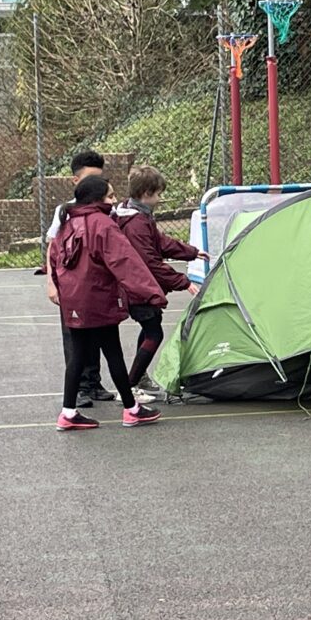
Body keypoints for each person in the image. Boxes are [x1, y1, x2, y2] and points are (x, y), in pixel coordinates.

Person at [49, 175, 167, 431]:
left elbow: (55, 260)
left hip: (74, 299)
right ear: (97, 199)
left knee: (78, 355)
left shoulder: (67, 223)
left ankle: (68, 412)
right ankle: (131, 409)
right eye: (110, 196)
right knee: (113, 352)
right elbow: (126, 262)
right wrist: (152, 293)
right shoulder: (103, 224)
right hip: (98, 297)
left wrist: (59, 289)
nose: (114, 201)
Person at [114, 165, 209, 403]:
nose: (159, 199)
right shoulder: (135, 223)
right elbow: (149, 261)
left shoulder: (138, 215)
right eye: (158, 194)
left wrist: (191, 252)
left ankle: (138, 378)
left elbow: (160, 242)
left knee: (150, 327)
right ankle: (129, 387)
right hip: (137, 286)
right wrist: (182, 281)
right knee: (154, 333)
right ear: (146, 193)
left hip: (140, 286)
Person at [44, 150, 113, 409]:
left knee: (97, 333)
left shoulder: (106, 210)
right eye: (90, 179)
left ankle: (93, 382)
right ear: (76, 181)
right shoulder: (65, 211)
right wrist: (51, 282)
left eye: (100, 179)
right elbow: (53, 248)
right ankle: (79, 388)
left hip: (96, 285)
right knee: (74, 338)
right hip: (72, 286)